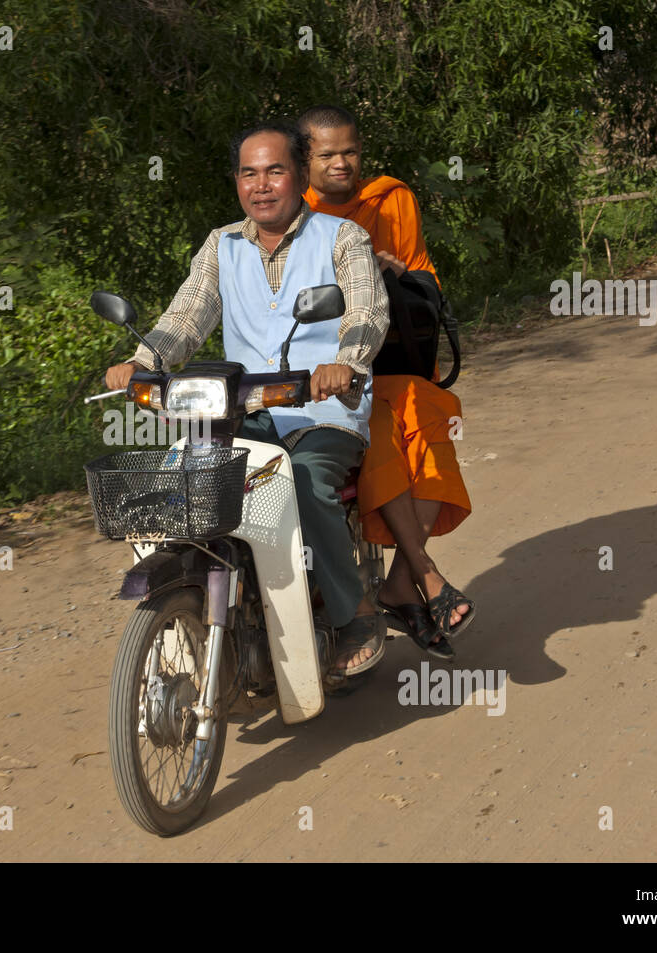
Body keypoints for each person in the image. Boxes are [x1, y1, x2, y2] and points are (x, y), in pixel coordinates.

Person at [104, 120, 391, 676]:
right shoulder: (222, 244)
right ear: (236, 181)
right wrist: (144, 363)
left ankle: (353, 610)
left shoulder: (341, 238)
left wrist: (346, 363)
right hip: (242, 411)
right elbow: (186, 317)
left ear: (299, 174)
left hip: (321, 410)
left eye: (275, 171)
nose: (261, 185)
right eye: (248, 172)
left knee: (303, 483)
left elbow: (365, 314)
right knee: (178, 484)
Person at [298, 104, 477, 660]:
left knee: (430, 410)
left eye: (349, 151)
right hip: (323, 368)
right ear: (304, 160)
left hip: (392, 355)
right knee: (373, 423)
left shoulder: (390, 199)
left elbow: (426, 277)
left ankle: (403, 581)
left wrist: (402, 275)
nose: (341, 164)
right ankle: (420, 578)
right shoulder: (290, 210)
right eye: (326, 155)